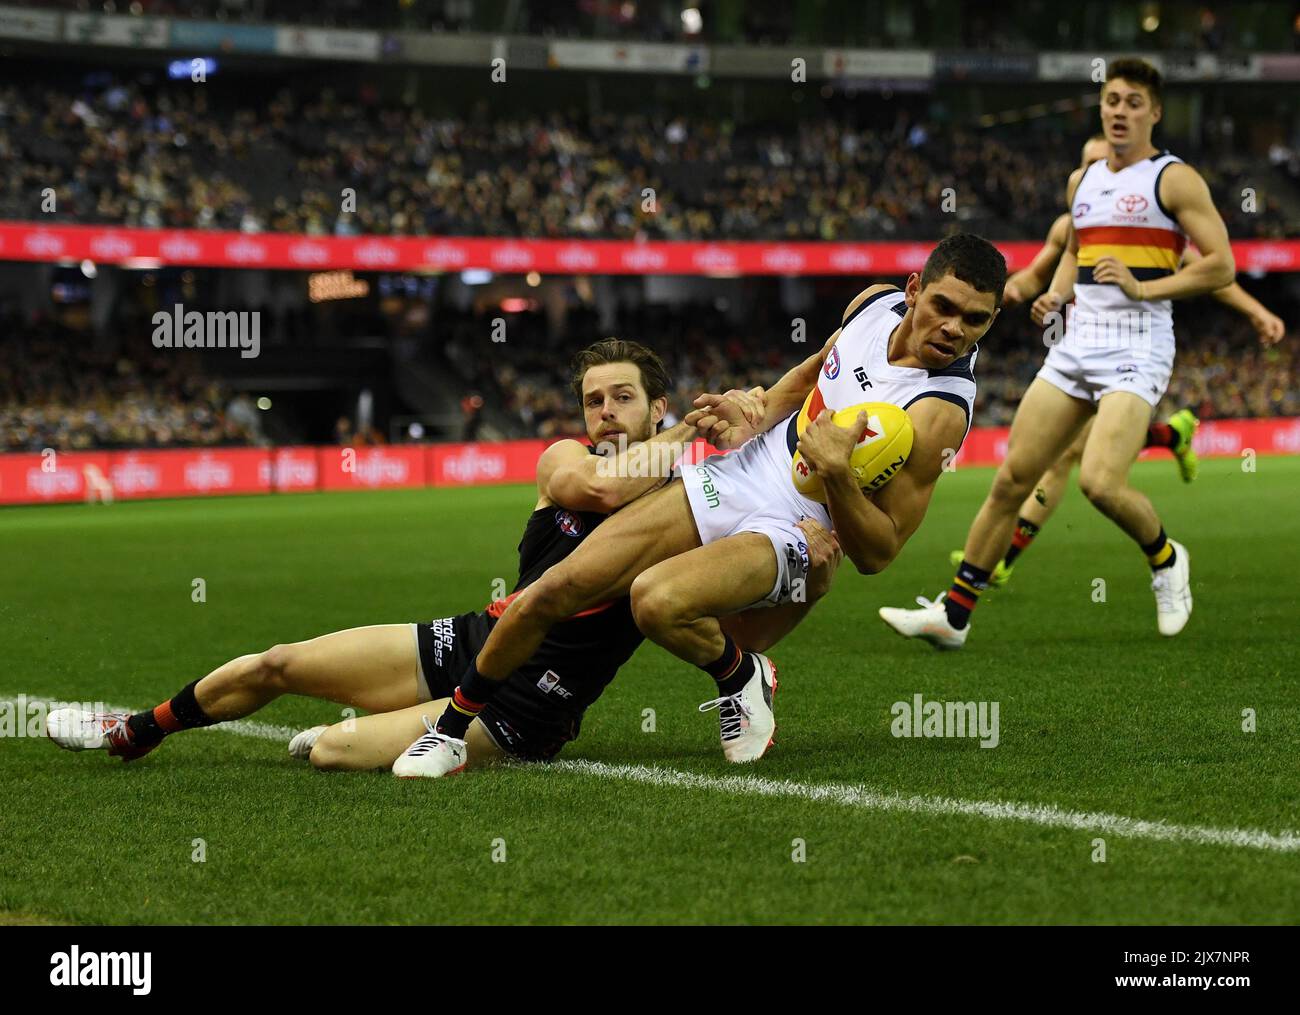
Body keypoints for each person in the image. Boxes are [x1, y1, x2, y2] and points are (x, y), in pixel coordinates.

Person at [45, 339, 841, 774]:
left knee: (328, 748)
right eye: (593, 397)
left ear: (658, 403)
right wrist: (695, 430)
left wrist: (809, 553)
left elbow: (739, 594)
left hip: (529, 703)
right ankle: (138, 727)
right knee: (279, 661)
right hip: (470, 640)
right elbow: (599, 488)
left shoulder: (705, 495)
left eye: (622, 396)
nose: (604, 410)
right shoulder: (566, 460)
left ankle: (379, 732)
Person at [402, 233, 1008, 777]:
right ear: (913, 289)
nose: (954, 328)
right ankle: (450, 734)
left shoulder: (939, 412)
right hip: (744, 472)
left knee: (654, 602)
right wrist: (755, 410)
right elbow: (807, 379)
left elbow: (881, 551)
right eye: (943, 307)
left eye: (975, 320)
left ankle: (738, 672)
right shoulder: (873, 305)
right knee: (554, 587)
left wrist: (838, 479)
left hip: (799, 526)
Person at [880, 58, 1236, 648]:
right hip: (1078, 344)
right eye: (1111, 100)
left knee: (1099, 482)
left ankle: (1168, 559)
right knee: (1012, 479)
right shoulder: (1085, 180)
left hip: (1139, 344)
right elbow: (1077, 250)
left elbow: (1222, 265)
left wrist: (1145, 287)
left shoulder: (1174, 180)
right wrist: (1055, 294)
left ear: (1154, 112)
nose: (1119, 111)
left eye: (1132, 102)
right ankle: (955, 615)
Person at [954, 136, 1287, 589]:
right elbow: (1039, 271)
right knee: (1061, 459)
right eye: (1091, 162)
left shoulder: (1148, 224)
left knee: (1078, 463)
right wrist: (1016, 291)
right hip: (1080, 350)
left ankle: (1007, 558)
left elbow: (1214, 274)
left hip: (1132, 353)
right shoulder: (1069, 225)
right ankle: (1171, 435)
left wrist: (1257, 312)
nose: (1102, 171)